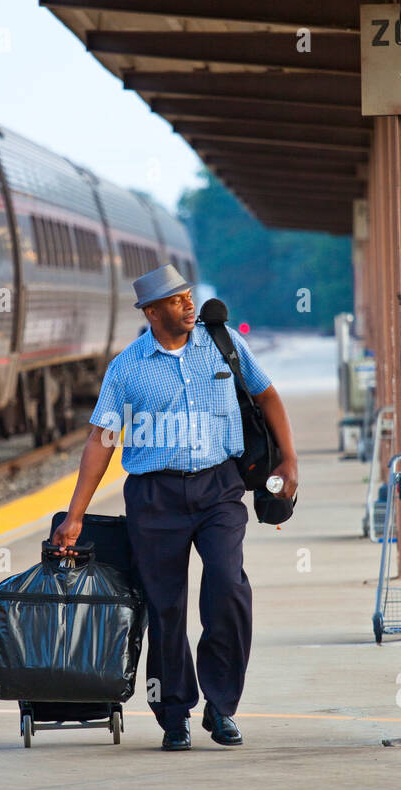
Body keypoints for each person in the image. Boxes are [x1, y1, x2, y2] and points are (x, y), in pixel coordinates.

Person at [51, 263, 298, 751]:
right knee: (165, 607)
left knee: (227, 585)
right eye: (175, 299)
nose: (188, 304)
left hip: (219, 488)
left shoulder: (222, 343)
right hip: (154, 497)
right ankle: (174, 715)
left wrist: (289, 459)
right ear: (151, 311)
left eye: (187, 295)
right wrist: (75, 513)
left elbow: (265, 394)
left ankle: (222, 705)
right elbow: (102, 439)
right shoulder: (127, 367)